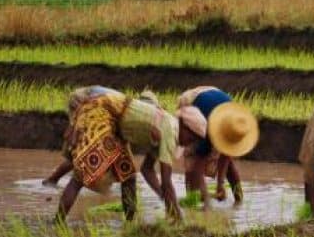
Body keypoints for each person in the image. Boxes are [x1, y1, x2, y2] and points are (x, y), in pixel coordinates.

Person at [55, 91, 208, 223]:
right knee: (81, 176)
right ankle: (57, 223)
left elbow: (147, 169)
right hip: (102, 113)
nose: (190, 144)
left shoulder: (167, 129)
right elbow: (167, 182)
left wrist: (163, 197)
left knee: (128, 176)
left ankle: (130, 223)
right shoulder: (171, 130)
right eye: (192, 138)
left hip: (116, 127)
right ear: (185, 126)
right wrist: (177, 215)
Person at [42, 86, 157, 187]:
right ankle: (54, 180)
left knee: (106, 149)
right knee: (83, 150)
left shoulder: (130, 109)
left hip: (91, 106)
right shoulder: (128, 108)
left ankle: (61, 179)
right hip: (82, 101)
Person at [178, 86, 258, 208]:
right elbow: (197, 167)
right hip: (193, 102)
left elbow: (226, 154)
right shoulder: (204, 128)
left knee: (228, 163)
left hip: (218, 103)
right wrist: (207, 203)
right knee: (192, 160)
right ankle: (192, 203)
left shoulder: (233, 125)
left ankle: (239, 201)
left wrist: (220, 184)